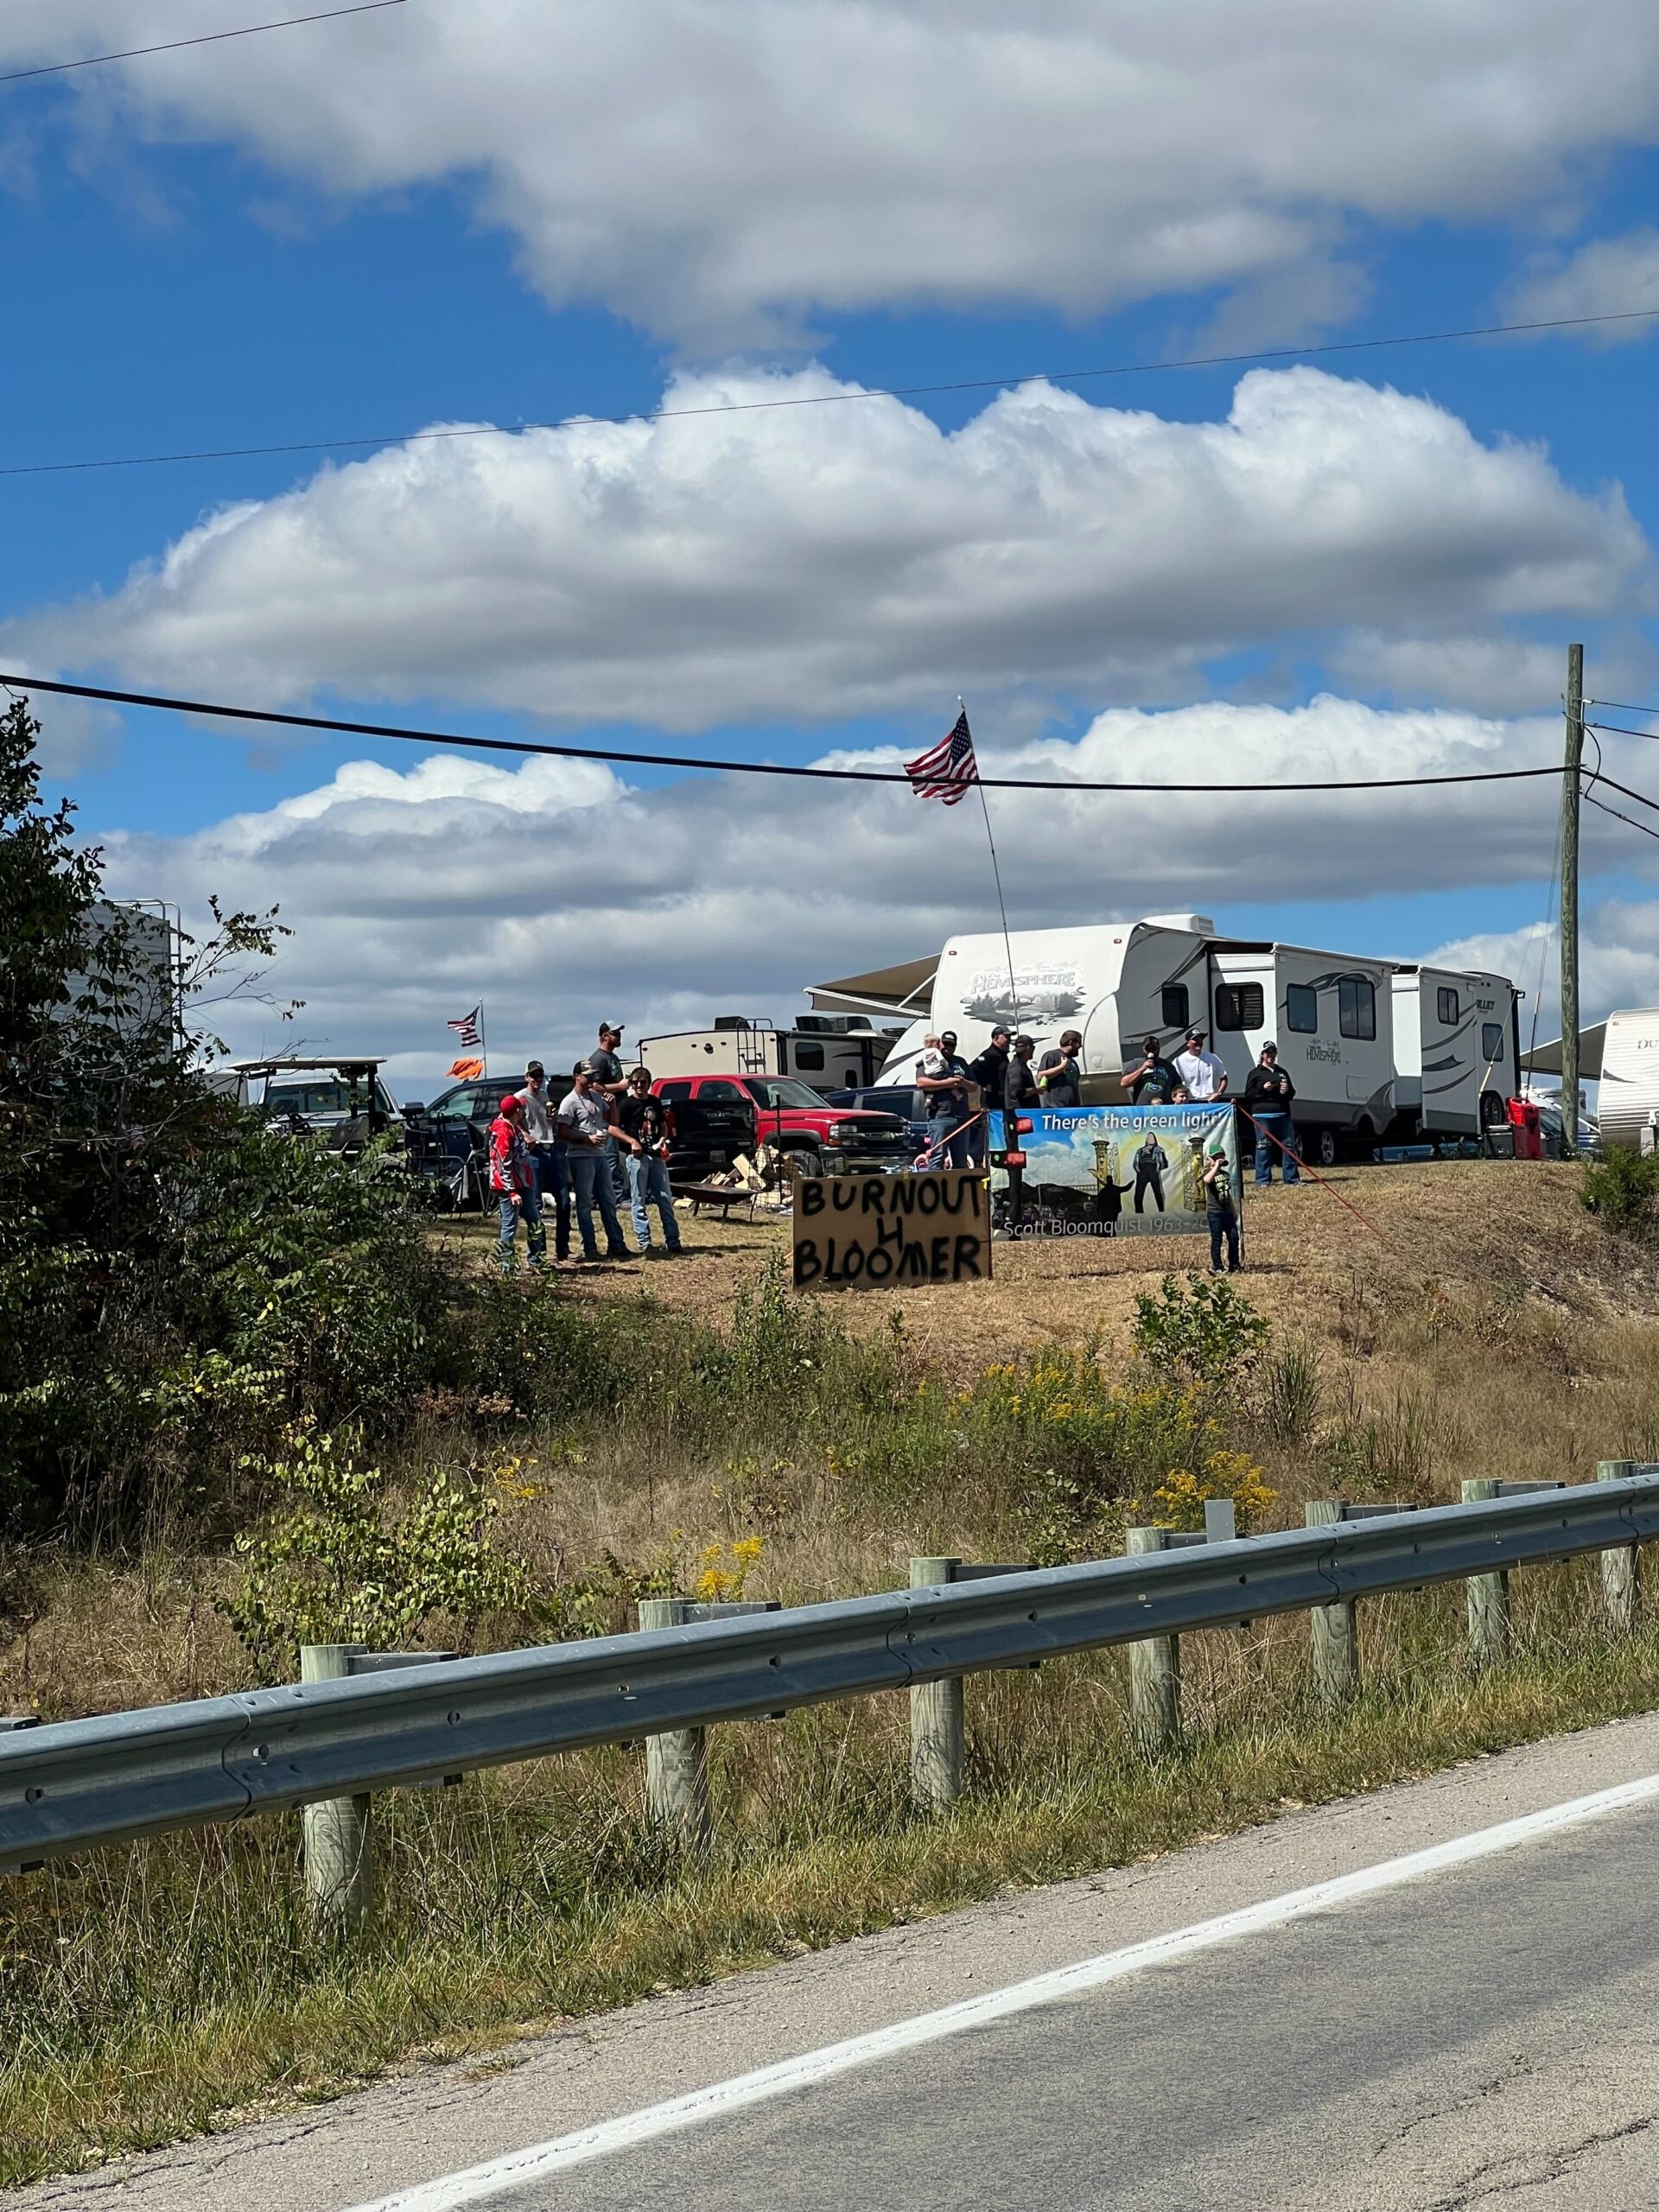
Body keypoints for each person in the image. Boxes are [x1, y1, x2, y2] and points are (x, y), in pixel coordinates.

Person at [556, 1060, 631, 1261]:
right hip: (581, 1157)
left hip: (600, 1155)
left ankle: (616, 1244)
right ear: (577, 1077)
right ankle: (589, 1247)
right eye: (587, 1075)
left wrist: (613, 1104)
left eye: (593, 1076)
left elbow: (613, 1122)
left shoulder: (596, 1097)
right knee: (585, 1203)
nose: (591, 1079)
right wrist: (585, 1139)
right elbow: (562, 1132)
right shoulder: (569, 1101)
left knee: (608, 1200)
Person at [615, 1065, 684, 1255]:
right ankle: (644, 1242)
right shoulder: (626, 1105)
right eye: (635, 1082)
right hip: (637, 1157)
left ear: (648, 1084)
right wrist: (631, 1142)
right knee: (638, 1199)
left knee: (664, 1197)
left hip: (655, 1155)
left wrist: (663, 1138)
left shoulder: (655, 1102)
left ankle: (673, 1240)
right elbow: (612, 1128)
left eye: (643, 1082)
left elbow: (662, 1125)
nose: (639, 1086)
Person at [516, 1058, 571, 1262]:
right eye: (533, 1076)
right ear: (527, 1077)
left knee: (564, 1199)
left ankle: (562, 1246)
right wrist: (525, 1135)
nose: (537, 1079)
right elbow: (511, 1121)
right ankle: (537, 1253)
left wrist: (553, 1118)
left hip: (550, 1148)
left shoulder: (545, 1095)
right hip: (534, 1152)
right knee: (535, 1204)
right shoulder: (520, 1098)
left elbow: (545, 1121)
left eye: (540, 1076)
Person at [487, 1094, 543, 1276]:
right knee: (510, 1225)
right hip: (510, 1187)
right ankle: (507, 1267)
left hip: (523, 1182)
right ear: (517, 1111)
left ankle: (535, 1261)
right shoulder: (503, 1132)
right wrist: (511, 1191)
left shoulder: (512, 1127)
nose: (523, 1110)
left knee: (535, 1221)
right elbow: (502, 1163)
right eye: (521, 1108)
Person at [1242, 1040, 1300, 1187]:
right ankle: (1262, 1180)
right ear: (1262, 1054)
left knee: (1288, 1147)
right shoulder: (1255, 1073)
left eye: (1273, 1052)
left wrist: (1286, 1091)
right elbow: (1249, 1096)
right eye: (1268, 1052)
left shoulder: (1282, 1072)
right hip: (1262, 1116)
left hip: (1282, 1114)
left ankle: (1292, 1179)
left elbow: (1292, 1094)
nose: (1271, 1055)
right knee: (1263, 1146)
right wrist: (1263, 1089)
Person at [916, 1027, 975, 1169]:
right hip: (940, 1117)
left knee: (961, 1159)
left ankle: (958, 1190)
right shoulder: (930, 1057)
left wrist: (962, 1082)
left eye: (952, 1045)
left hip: (961, 1117)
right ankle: (936, 1190)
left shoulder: (961, 1062)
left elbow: (974, 1087)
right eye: (946, 1044)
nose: (948, 1047)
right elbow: (921, 1082)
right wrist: (947, 1083)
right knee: (937, 1158)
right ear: (940, 1044)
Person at [588, 1021, 631, 1204]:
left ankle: (619, 1193)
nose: (619, 1037)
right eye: (615, 1034)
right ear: (605, 1036)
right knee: (610, 1158)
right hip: (605, 1118)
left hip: (618, 1115)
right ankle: (615, 1197)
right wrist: (619, 1086)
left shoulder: (612, 1057)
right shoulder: (598, 1059)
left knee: (620, 1157)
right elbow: (594, 1086)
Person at [1002, 1036, 1041, 1230]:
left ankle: (1017, 1214)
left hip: (1020, 1124)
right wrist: (1036, 1090)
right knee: (1016, 1171)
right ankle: (1014, 1218)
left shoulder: (1020, 1065)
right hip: (1016, 1123)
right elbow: (1016, 1093)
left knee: (1022, 1168)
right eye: (1032, 1047)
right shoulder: (1016, 1067)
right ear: (1027, 1049)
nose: (1033, 1051)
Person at [966, 1025, 1012, 1166]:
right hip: (993, 1105)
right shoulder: (989, 1054)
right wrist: (985, 1083)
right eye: (1007, 1037)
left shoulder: (1003, 1056)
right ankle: (988, 1166)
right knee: (992, 1139)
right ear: (996, 1038)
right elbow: (973, 1068)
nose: (1009, 1040)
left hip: (1003, 1104)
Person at [1202, 1137, 1241, 1273]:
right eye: (1215, 1157)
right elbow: (1207, 1180)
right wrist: (1216, 1166)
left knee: (1234, 1238)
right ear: (1209, 1160)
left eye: (1221, 1157)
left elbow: (1227, 1194)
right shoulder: (1207, 1172)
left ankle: (1234, 1265)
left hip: (1227, 1212)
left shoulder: (1225, 1174)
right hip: (1215, 1213)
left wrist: (1233, 1211)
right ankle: (1217, 1266)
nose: (1219, 1160)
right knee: (1217, 1240)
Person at [1174, 1026, 1229, 1102]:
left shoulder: (1212, 1058)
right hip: (1190, 1101)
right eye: (1195, 1040)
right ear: (1187, 1043)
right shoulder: (1179, 1061)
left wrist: (1219, 1093)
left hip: (1210, 1101)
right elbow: (1176, 1084)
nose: (1199, 1042)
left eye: (1200, 1039)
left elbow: (1224, 1078)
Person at [1122, 1035, 1180, 1104]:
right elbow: (1124, 1083)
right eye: (1148, 1049)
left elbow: (1177, 1088)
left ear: (1159, 1049)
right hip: (1142, 1109)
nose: (1151, 1052)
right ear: (1143, 1049)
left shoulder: (1168, 1066)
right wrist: (1142, 1069)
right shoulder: (1136, 1063)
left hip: (1164, 1109)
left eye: (1154, 1048)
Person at [1036, 1028, 1084, 1109]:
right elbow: (1041, 1076)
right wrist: (1062, 1067)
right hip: (1055, 1108)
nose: (1080, 1047)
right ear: (1071, 1042)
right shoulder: (1051, 1055)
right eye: (1079, 1044)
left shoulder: (1072, 1061)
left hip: (1073, 1109)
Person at [1132, 1130, 1168, 1213]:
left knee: (1158, 1194)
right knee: (1138, 1196)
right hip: (1142, 1173)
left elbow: (1165, 1163)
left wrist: (1158, 1167)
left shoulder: (1159, 1149)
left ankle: (1161, 1211)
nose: (1149, 1138)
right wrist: (1138, 1170)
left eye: (1151, 1137)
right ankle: (1139, 1213)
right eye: (1148, 1137)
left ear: (1155, 1140)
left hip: (1153, 1172)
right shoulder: (1140, 1150)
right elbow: (1135, 1163)